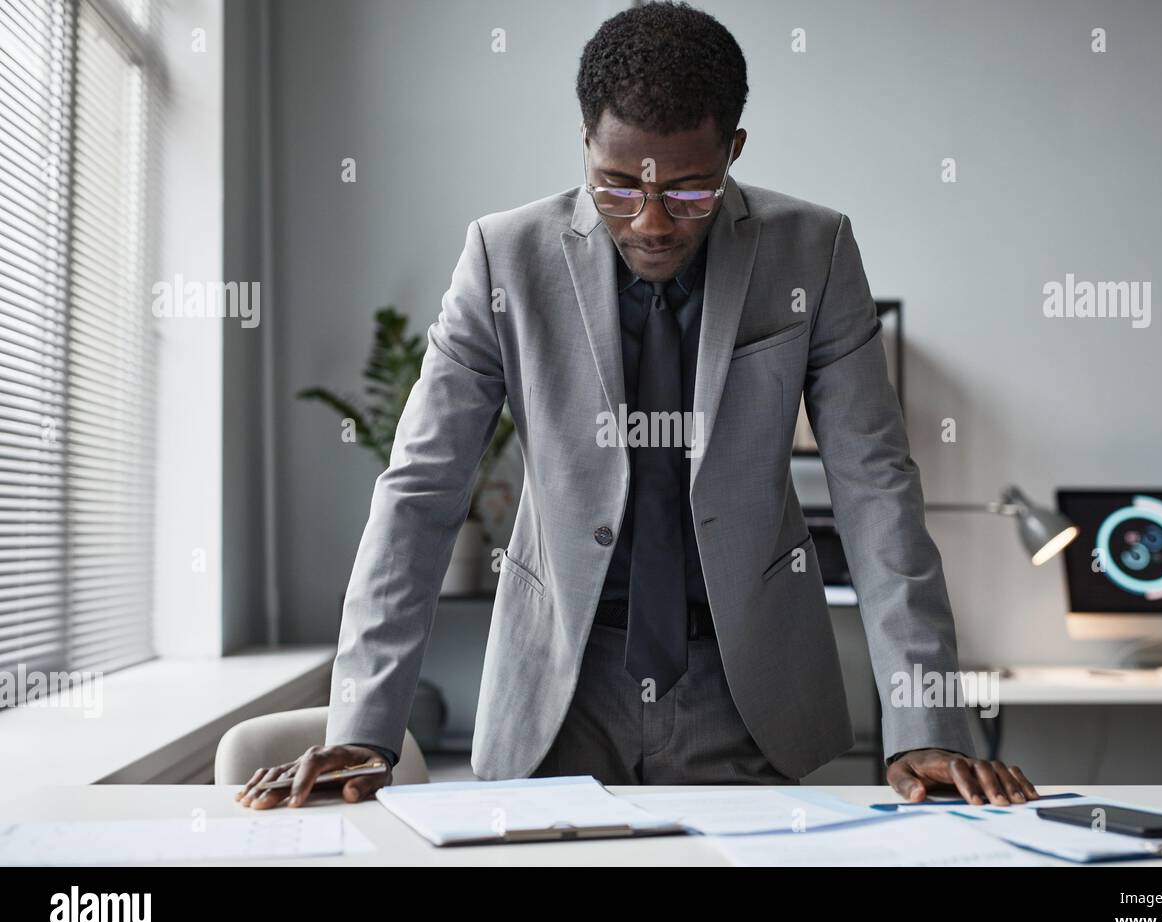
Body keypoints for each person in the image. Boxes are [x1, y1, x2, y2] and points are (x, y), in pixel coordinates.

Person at [238, 1, 1038, 811]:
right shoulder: (502, 259)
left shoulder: (813, 251)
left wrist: (926, 720)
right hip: (559, 690)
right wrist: (365, 726)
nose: (652, 224)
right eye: (618, 188)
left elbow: (876, 491)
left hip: (742, 690)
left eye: (690, 193)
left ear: (734, 151)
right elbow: (420, 492)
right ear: (585, 142)